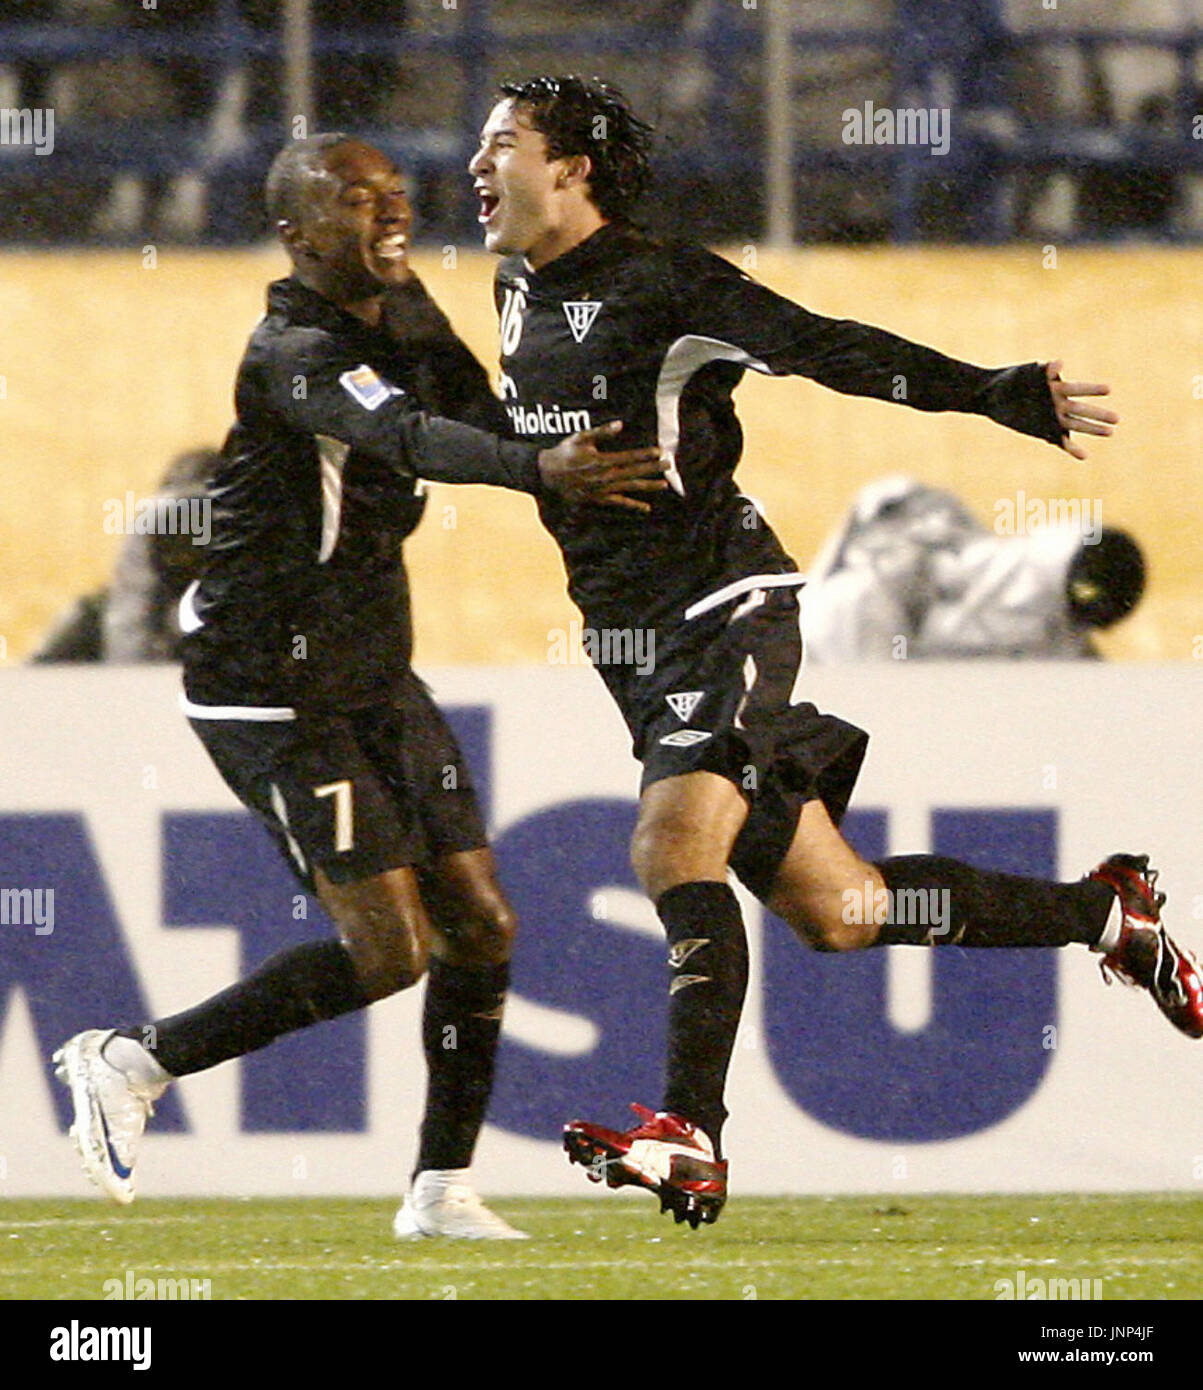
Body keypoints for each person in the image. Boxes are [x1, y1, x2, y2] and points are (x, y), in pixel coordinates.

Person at [466, 75, 1203, 1227]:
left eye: (500, 142)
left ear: (573, 169)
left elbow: (826, 347)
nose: (476, 163)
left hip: (723, 606)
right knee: (846, 910)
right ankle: (1109, 915)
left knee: (672, 849)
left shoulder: (666, 281)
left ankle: (690, 1133)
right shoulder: (512, 287)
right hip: (641, 648)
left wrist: (998, 393)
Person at [53, 133, 666, 1239]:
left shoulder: (405, 300)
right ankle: (133, 1059)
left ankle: (440, 1190)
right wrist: (540, 468)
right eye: (357, 200)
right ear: (296, 232)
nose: (390, 211)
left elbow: (475, 410)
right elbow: (409, 434)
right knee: (390, 949)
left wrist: (585, 442)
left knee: (481, 922)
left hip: (372, 666)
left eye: (394, 193)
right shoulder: (290, 348)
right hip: (263, 684)